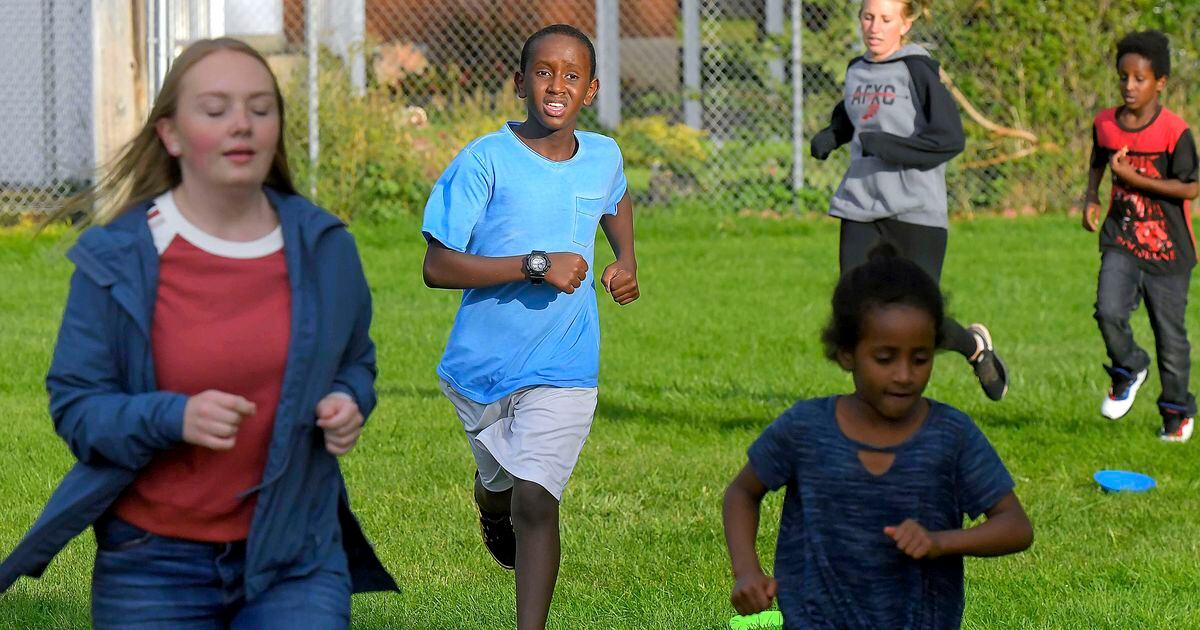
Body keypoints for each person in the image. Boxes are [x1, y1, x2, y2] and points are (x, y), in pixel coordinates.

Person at [0, 38, 397, 626]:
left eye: (261, 110)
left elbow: (354, 360)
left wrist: (348, 398)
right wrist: (173, 418)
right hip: (152, 565)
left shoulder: (325, 247)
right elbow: (78, 408)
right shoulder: (118, 258)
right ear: (171, 134)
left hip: (297, 557)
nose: (243, 124)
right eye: (216, 110)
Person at [420, 24, 638, 630]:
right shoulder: (485, 160)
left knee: (537, 500)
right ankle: (489, 503)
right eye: (543, 72)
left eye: (572, 75)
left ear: (590, 89)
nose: (557, 85)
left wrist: (626, 260)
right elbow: (437, 266)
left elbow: (615, 199)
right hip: (480, 370)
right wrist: (533, 266)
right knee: (501, 491)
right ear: (519, 82)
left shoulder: (603, 155)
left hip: (565, 365)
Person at [722, 245, 1033, 628]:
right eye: (885, 358)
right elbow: (742, 493)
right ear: (846, 353)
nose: (904, 374)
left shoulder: (951, 435)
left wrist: (941, 542)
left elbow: (1015, 526)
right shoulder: (805, 428)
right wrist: (747, 571)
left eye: (920, 358)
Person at [810, 0, 1009, 402]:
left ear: (906, 23)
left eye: (885, 19)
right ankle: (871, 405)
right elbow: (853, 115)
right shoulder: (856, 70)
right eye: (868, 17)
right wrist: (833, 136)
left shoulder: (918, 70)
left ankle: (974, 347)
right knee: (854, 310)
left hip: (915, 210)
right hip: (861, 204)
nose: (874, 27)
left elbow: (949, 139)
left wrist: (892, 147)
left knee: (919, 319)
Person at [1080, 30, 1197, 443]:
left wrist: (1132, 178)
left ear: (1160, 82)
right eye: (1123, 78)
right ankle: (1128, 366)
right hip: (1122, 239)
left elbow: (1190, 188)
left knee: (1171, 339)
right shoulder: (1106, 124)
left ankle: (1176, 414)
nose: (1130, 86)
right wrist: (1092, 195)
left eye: (1140, 79)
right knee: (1108, 310)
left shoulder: (1174, 131)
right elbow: (1098, 157)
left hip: (1169, 250)